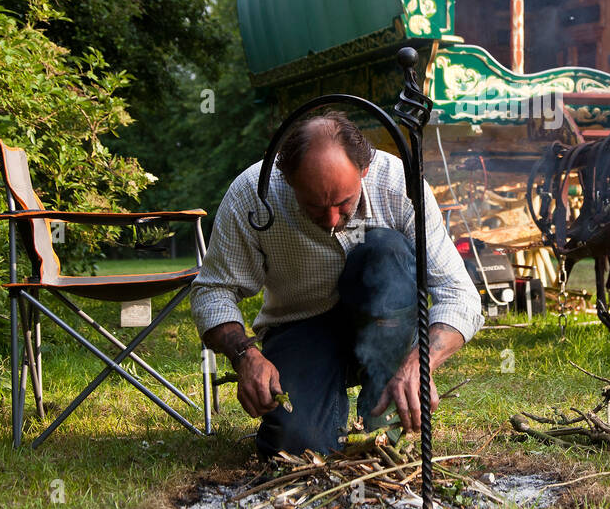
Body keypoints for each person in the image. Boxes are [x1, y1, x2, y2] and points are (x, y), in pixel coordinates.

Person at [191, 111, 483, 458]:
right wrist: (245, 356)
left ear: (364, 170)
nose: (331, 219)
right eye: (313, 205)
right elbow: (212, 291)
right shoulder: (253, 194)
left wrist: (421, 363)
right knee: (296, 450)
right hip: (301, 329)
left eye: (343, 202)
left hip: (385, 327)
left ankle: (381, 420)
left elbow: (459, 295)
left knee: (384, 250)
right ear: (288, 179)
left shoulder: (399, 185)